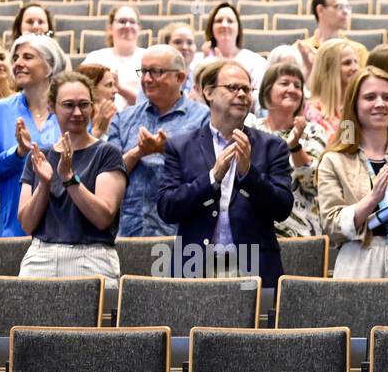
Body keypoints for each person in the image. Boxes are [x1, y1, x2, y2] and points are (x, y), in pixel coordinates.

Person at [156, 59, 294, 283]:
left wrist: (249, 173)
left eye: (247, 89)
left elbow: (282, 208)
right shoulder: (180, 147)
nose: (242, 94)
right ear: (209, 92)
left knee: (257, 320)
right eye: (233, 88)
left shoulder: (272, 147)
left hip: (254, 267)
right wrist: (212, 178)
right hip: (195, 266)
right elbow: (167, 207)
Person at [316, 66, 388, 279]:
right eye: (370, 97)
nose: (380, 104)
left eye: (387, 97)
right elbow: (331, 227)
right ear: (355, 105)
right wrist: (371, 199)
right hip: (355, 263)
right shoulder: (334, 160)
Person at [17, 71, 126, 280]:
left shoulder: (107, 153)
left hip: (91, 255)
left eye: (84, 104)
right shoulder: (40, 156)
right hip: (42, 254)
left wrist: (69, 178)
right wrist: (45, 184)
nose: (77, 112)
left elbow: (102, 217)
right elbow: (27, 224)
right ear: (52, 107)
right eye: (68, 105)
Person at [108, 45, 209, 238]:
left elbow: (209, 174)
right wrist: (138, 152)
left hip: (182, 230)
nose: (146, 79)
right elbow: (109, 177)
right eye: (144, 71)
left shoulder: (203, 118)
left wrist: (168, 150)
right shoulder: (123, 119)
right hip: (130, 229)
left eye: (156, 72)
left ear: (180, 77)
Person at [246, 61, 329, 237]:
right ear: (267, 90)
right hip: (251, 226)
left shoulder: (313, 131)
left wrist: (295, 146)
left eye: (297, 86)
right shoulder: (250, 127)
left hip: (299, 230)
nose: (292, 89)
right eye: (284, 83)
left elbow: (315, 183)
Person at [0, 35, 65, 237]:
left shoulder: (70, 109)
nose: (18, 63)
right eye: (16, 58)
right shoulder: (1, 111)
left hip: (62, 228)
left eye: (27, 57)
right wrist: (18, 153)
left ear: (50, 65)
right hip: (14, 228)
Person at [192, 2, 268, 101]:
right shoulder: (198, 59)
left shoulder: (255, 61)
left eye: (230, 21)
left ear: (238, 28)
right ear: (211, 28)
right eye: (219, 21)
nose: (224, 25)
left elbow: (259, 98)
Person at [304, 38, 365, 142]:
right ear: (329, 69)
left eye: (356, 62)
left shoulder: (360, 105)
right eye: (347, 63)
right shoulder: (313, 111)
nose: (355, 68)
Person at [82, 6, 143, 109]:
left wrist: (119, 88)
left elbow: (152, 104)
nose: (127, 25)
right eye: (122, 21)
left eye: (132, 21)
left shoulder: (148, 58)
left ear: (139, 28)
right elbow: (82, 93)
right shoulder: (95, 58)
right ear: (110, 29)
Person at [297, 0, 352, 75]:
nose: (345, 12)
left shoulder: (357, 50)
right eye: (339, 6)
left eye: (348, 7)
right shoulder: (302, 51)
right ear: (320, 10)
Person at [157, 21, 199, 97]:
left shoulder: (200, 79)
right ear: (167, 46)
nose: (185, 47)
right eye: (178, 42)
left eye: (190, 42)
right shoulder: (153, 78)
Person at [77, 64, 118, 139]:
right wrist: (97, 131)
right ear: (91, 89)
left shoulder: (117, 118)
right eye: (109, 85)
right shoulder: (73, 121)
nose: (115, 90)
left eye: (114, 85)